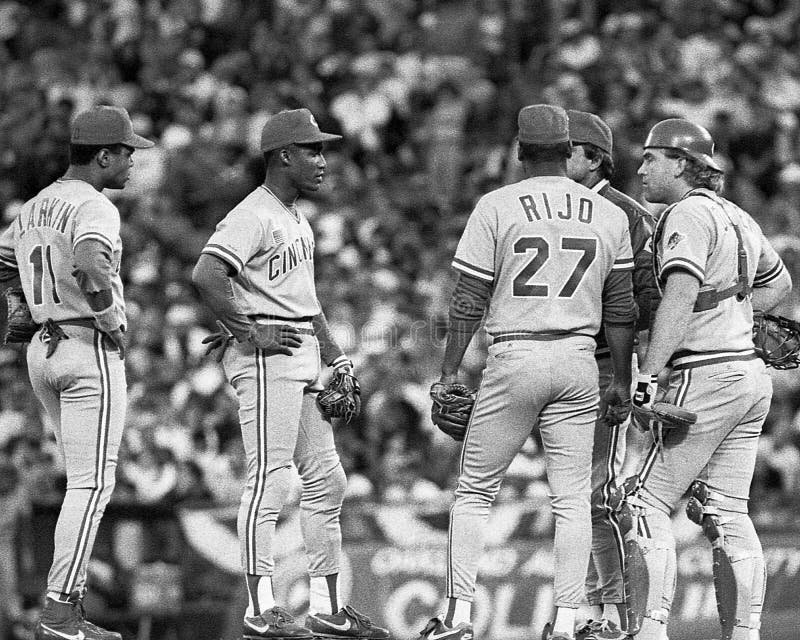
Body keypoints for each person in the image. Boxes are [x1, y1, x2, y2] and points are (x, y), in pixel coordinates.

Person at [418, 104, 636, 640]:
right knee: (570, 499)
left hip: (516, 354)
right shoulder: (608, 214)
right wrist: (623, 379)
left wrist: (449, 373)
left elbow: (469, 296)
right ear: (567, 151)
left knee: (474, 492)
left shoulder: (496, 205)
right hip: (579, 360)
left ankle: (459, 616)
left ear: (518, 151)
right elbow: (623, 308)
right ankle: (565, 622)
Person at [191, 108, 390, 640]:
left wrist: (337, 355)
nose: (323, 161)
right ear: (283, 156)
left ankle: (327, 607)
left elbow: (304, 301)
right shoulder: (253, 213)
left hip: (297, 351)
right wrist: (246, 330)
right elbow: (207, 273)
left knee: (328, 477)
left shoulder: (294, 217)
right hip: (265, 355)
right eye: (312, 150)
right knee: (270, 479)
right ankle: (260, 609)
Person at [619, 118, 792, 640]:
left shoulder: (685, 214)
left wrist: (649, 374)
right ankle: (745, 634)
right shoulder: (735, 214)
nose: (643, 167)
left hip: (706, 372)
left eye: (653, 157)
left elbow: (678, 296)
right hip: (748, 374)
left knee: (640, 500)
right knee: (727, 512)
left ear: (682, 164)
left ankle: (648, 632)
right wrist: (737, 318)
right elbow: (778, 284)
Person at [0, 105, 154, 640]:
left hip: (42, 351)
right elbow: (90, 263)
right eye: (127, 151)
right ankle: (61, 611)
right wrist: (112, 319)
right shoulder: (94, 206)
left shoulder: (36, 204)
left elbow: (2, 259)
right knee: (91, 486)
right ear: (104, 155)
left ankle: (66, 609)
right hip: (85, 347)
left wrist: (23, 306)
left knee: (79, 484)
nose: (133, 160)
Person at [564, 110, 659, 640]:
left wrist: (640, 368)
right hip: (570, 362)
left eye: (569, 149)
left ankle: (622, 617)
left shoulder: (625, 212)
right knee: (578, 495)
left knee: (601, 494)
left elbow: (649, 298)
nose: (559, 158)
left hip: (608, 364)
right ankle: (596, 610)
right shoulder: (555, 207)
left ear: (596, 156)